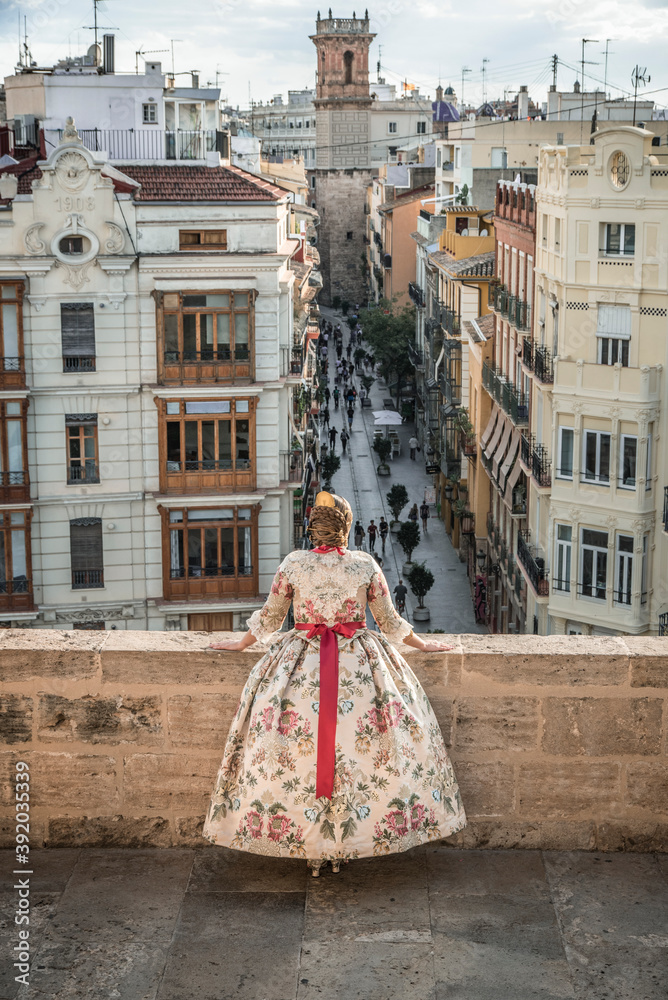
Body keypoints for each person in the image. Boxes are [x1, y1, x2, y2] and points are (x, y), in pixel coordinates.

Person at [204, 492, 465, 875]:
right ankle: (351, 841)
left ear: (313, 528)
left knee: (294, 755)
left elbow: (272, 617)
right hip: (360, 664)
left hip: (299, 663)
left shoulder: (294, 564)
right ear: (346, 526)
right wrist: (424, 644)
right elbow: (390, 623)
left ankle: (308, 842)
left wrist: (241, 643)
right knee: (364, 753)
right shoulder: (364, 565)